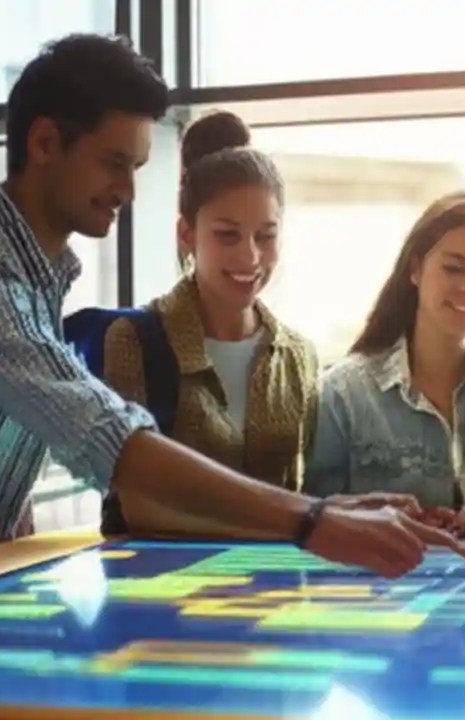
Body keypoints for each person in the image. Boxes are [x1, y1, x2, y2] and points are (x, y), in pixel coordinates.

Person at [0, 33, 465, 577]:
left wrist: (327, 510)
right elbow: (112, 442)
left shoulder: (41, 283)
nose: (128, 193)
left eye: (135, 168)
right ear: (45, 143)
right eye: (113, 163)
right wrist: (312, 520)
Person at [99, 110, 318, 537]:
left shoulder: (297, 356)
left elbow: (309, 492)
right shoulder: (136, 341)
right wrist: (290, 527)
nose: (250, 257)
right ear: (187, 234)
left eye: (266, 236)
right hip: (161, 591)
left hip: (278, 589)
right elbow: (140, 506)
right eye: (227, 235)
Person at [304, 191, 465, 544]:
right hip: (384, 590)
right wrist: (382, 518)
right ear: (415, 268)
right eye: (454, 268)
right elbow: (314, 515)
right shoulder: (344, 393)